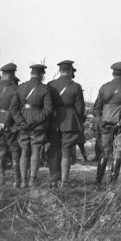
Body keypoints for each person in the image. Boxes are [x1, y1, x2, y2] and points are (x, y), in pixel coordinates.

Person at [11, 64, 53, 188]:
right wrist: (35, 121)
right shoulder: (44, 89)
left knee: (24, 151)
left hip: (23, 123)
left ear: (31, 73)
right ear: (41, 75)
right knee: (35, 151)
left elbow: (13, 109)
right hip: (38, 125)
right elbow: (48, 110)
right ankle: (32, 181)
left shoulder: (20, 88)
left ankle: (23, 181)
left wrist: (21, 122)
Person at [93, 62, 121, 186]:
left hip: (105, 125)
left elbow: (96, 109)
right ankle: (112, 183)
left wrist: (102, 121)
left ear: (113, 73)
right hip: (120, 127)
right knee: (118, 153)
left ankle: (98, 181)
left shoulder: (104, 87)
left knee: (104, 153)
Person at [47, 60, 86, 188]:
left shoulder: (50, 85)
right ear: (70, 71)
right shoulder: (76, 86)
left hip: (54, 120)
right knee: (66, 151)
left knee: (54, 150)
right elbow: (80, 108)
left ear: (59, 71)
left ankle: (53, 180)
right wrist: (79, 119)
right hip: (69, 121)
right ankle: (64, 181)